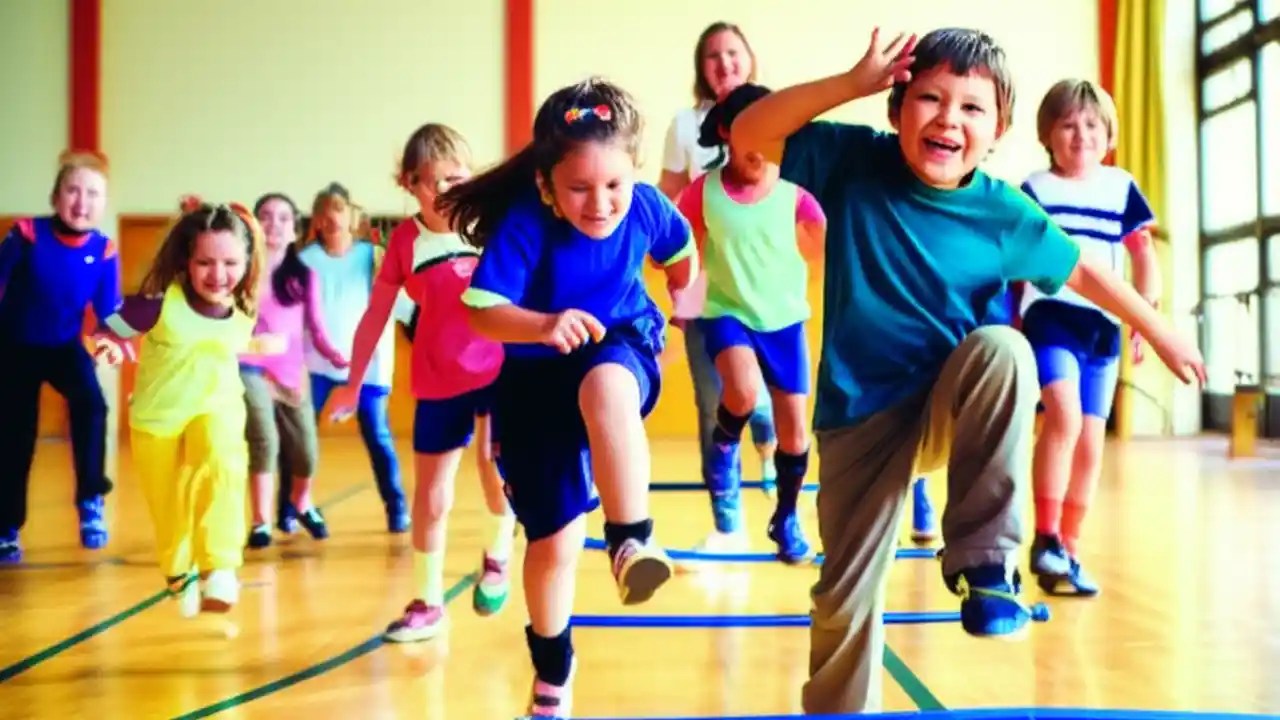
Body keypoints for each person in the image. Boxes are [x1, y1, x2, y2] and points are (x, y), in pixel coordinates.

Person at [731, 26, 1206, 714]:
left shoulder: (1002, 211)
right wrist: (848, 83)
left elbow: (1085, 272)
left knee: (1006, 348)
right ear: (895, 109)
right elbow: (749, 131)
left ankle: (986, 563)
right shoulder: (852, 162)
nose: (948, 118)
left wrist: (1159, 329)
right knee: (842, 595)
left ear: (1001, 128)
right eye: (929, 98)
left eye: (971, 107)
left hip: (948, 402)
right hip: (859, 418)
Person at [438, 77, 696, 720]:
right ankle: (553, 667)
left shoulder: (644, 207)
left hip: (618, 340)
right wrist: (544, 325)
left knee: (608, 384)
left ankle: (632, 539)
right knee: (551, 542)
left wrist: (686, 301)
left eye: (613, 184)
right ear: (547, 186)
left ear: (633, 171)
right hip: (534, 378)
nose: (601, 202)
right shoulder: (527, 222)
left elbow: (682, 251)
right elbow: (482, 311)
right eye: (579, 188)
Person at [329, 123, 516, 642]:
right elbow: (375, 315)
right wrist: (351, 383)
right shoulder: (405, 242)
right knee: (431, 497)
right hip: (437, 379)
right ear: (409, 183)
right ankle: (428, 601)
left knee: (492, 467)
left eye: (455, 179)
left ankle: (498, 554)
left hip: (499, 370)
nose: (444, 192)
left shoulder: (492, 227)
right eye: (430, 182)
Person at [97, 197, 281, 616]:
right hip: (157, 420)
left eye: (230, 263)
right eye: (205, 263)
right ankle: (179, 574)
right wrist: (108, 345)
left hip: (216, 408)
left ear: (247, 261)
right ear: (186, 261)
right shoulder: (159, 303)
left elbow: (243, 338)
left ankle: (220, 567)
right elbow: (106, 331)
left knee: (221, 464)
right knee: (170, 508)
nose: (218, 275)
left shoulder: (245, 309)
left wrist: (266, 348)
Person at [1019, 79, 1161, 597]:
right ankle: (1045, 535)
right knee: (1064, 416)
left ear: (1109, 135)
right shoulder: (1034, 189)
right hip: (1051, 315)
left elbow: (1144, 254)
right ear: (1048, 134)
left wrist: (1145, 316)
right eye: (1068, 124)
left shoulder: (1120, 186)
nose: (1081, 134)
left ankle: (1069, 549)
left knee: (1092, 442)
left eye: (1093, 125)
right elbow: (1016, 264)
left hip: (1102, 326)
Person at [677, 82, 826, 562]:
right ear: (726, 132)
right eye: (752, 133)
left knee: (795, 434)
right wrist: (684, 306)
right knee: (740, 393)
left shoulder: (795, 193)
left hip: (784, 322)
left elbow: (825, 243)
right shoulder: (704, 193)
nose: (762, 146)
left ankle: (785, 517)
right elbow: (687, 254)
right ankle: (725, 445)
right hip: (727, 314)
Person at [658, 21, 781, 510]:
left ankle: (770, 458)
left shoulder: (776, 113)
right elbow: (668, 195)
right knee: (711, 396)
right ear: (700, 69)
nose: (724, 63)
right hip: (702, 277)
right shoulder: (685, 125)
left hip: (760, 276)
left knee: (764, 395)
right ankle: (724, 511)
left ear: (749, 58)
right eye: (713, 56)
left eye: (733, 53)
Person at [0, 150, 120, 563]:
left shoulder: (105, 251)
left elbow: (109, 314)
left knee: (92, 404)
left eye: (93, 194)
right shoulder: (26, 234)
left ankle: (90, 500)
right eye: (73, 190)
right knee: (15, 436)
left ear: (103, 203)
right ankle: (6, 526)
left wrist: (116, 338)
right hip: (14, 347)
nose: (81, 202)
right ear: (56, 197)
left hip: (64, 346)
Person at [242, 192, 348, 549]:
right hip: (249, 367)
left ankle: (301, 502)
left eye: (284, 218)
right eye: (266, 216)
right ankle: (260, 522)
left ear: (295, 229)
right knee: (264, 440)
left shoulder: (304, 275)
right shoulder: (239, 270)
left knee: (305, 450)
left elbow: (315, 327)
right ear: (254, 225)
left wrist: (335, 354)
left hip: (291, 372)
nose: (274, 224)